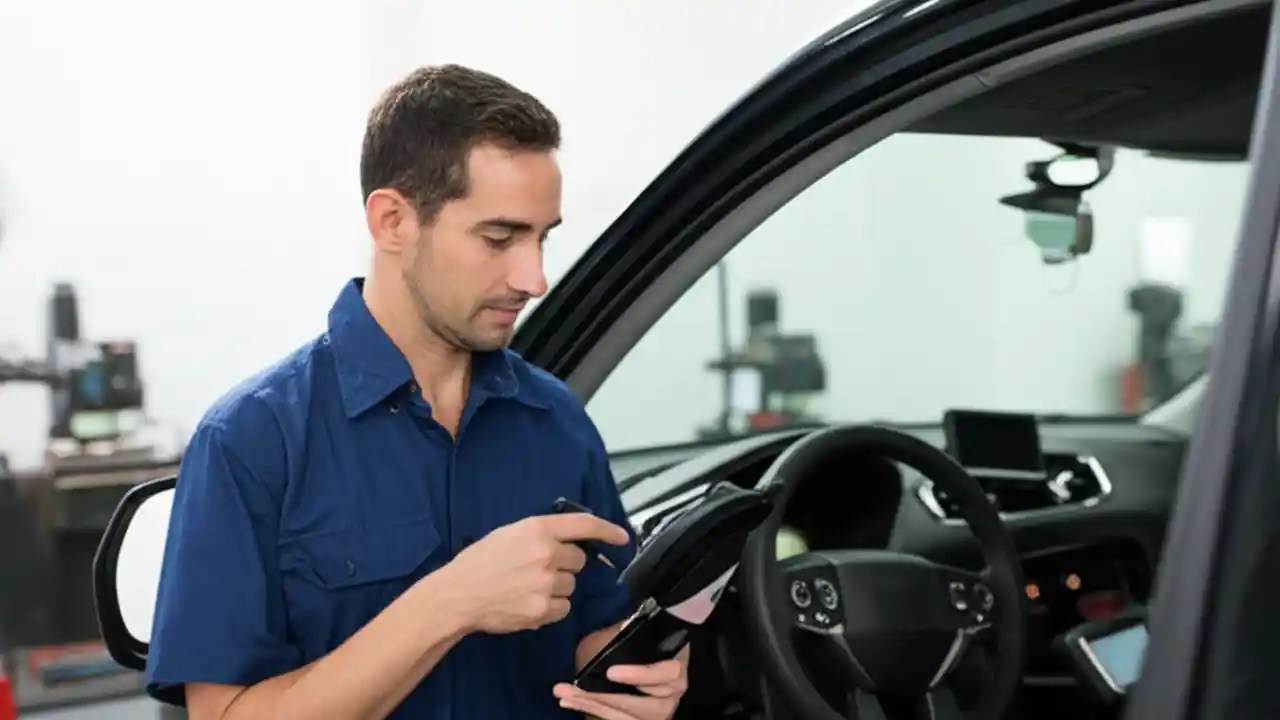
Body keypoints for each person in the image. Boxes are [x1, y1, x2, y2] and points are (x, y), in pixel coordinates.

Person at [145, 64, 689, 720]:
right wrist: (453, 600)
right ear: (393, 221)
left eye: (542, 238)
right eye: (500, 238)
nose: (534, 277)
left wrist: (640, 677)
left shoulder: (556, 420)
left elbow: (595, 632)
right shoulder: (249, 443)